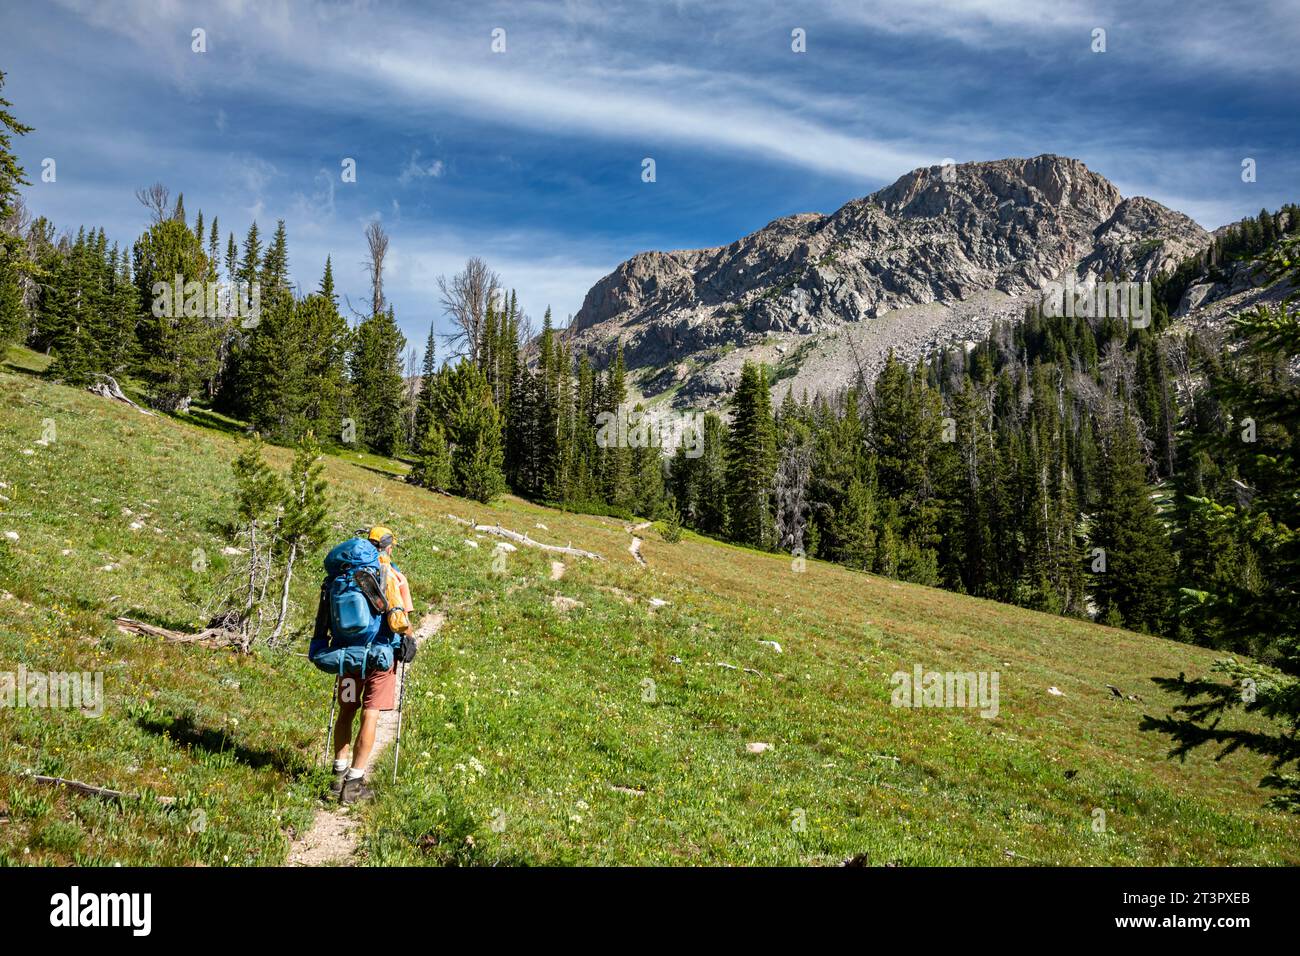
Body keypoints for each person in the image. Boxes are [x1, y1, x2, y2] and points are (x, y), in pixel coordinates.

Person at [328, 526, 416, 804]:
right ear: (390, 547)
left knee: (346, 711)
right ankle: (354, 783)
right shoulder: (395, 576)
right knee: (371, 713)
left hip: (347, 656)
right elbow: (402, 619)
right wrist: (409, 642)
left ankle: (336, 777)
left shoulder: (344, 574)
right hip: (379, 659)